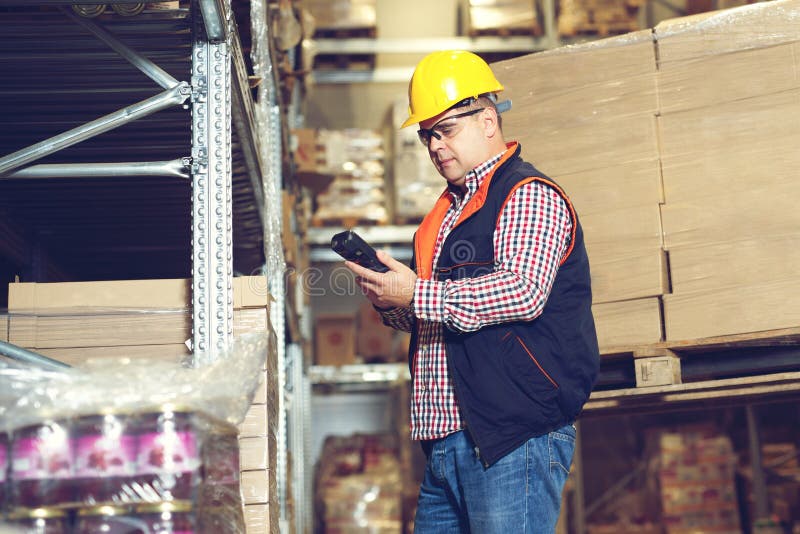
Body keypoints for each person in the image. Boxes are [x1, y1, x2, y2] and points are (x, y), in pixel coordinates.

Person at [344, 50, 600, 533]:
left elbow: (522, 291)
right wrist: (393, 302)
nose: (436, 146)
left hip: (511, 437)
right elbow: (442, 312)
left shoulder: (527, 194)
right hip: (446, 443)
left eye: (446, 130)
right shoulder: (445, 215)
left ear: (487, 121)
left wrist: (416, 295)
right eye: (427, 135)